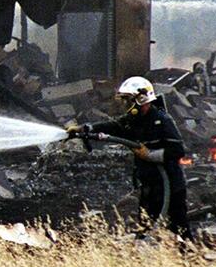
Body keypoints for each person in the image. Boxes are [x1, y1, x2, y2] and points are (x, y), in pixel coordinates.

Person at [67, 76, 192, 239]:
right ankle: (152, 256)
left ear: (141, 99)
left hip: (170, 184)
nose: (124, 104)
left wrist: (150, 155)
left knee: (179, 227)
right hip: (149, 184)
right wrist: (84, 129)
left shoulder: (162, 121)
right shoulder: (133, 120)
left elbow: (177, 150)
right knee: (147, 225)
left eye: (127, 100)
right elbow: (113, 127)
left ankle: (189, 256)